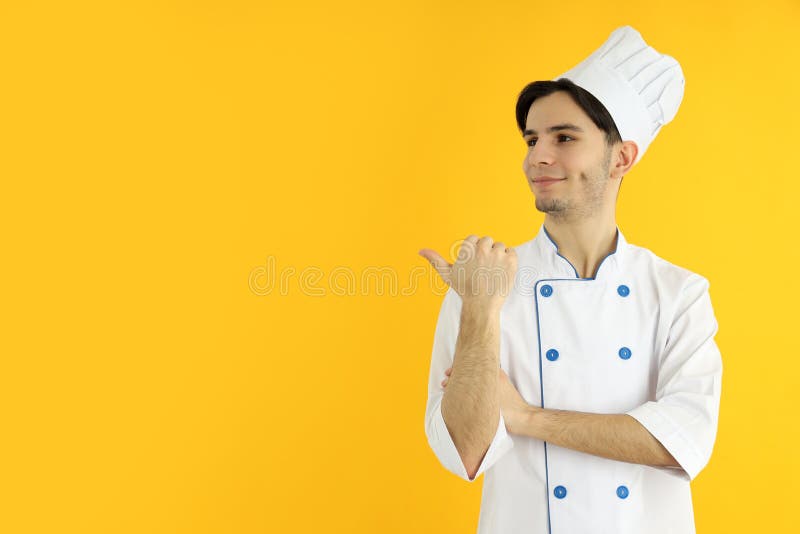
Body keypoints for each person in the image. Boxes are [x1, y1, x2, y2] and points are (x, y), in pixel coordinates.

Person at [419, 26, 722, 534]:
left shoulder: (678, 294)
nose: (538, 155)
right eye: (532, 139)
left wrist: (525, 418)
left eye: (564, 137)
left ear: (622, 157)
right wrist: (479, 311)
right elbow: (463, 454)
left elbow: (680, 443)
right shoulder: (483, 284)